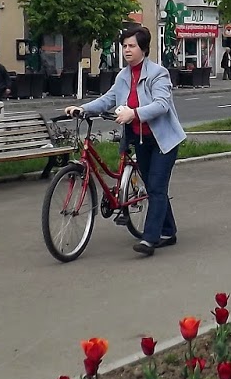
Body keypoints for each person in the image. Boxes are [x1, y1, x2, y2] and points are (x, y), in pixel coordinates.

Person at [68, 25, 186, 256]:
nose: (127, 50)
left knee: (156, 187)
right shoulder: (123, 75)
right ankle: (169, 231)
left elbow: (162, 104)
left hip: (163, 140)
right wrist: (82, 108)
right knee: (154, 187)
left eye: (132, 46)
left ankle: (150, 240)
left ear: (143, 48)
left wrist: (134, 113)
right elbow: (108, 99)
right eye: (124, 46)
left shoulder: (158, 73)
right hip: (141, 140)